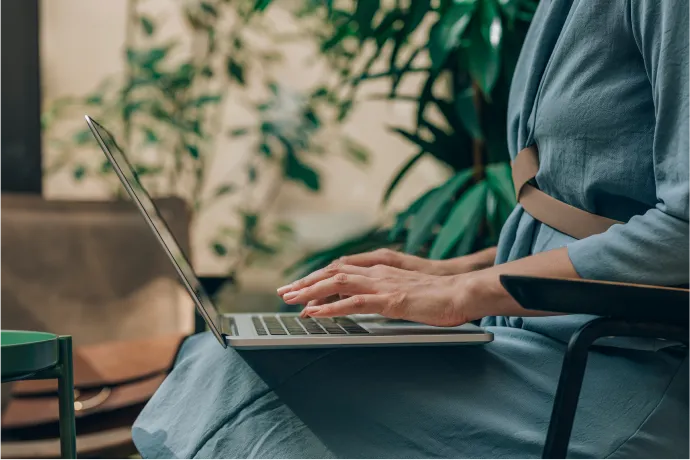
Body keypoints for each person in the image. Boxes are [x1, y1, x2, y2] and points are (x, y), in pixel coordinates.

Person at [132, 0, 690, 458]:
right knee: (219, 354)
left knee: (248, 385)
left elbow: (682, 231)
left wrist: (464, 293)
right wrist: (452, 271)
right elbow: (584, 214)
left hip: (618, 369)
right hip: (529, 339)